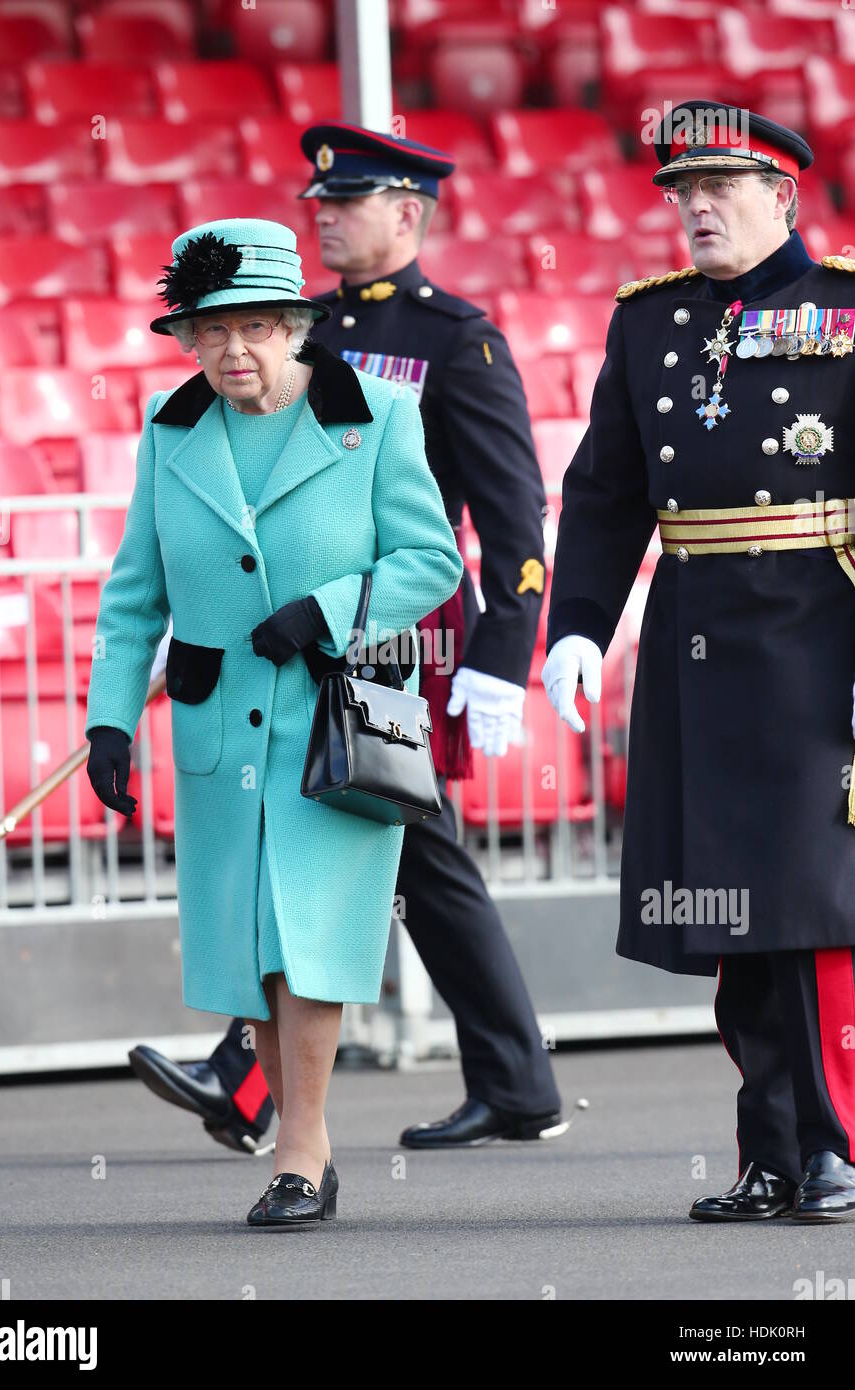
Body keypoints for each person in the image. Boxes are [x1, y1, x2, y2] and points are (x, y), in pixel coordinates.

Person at [129, 124, 566, 1153]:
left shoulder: (460, 339)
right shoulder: (289, 325)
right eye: (319, 202)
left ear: (407, 214)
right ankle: (488, 1079)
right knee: (363, 849)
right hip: (271, 648)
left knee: (393, 846)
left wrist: (506, 658)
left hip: (391, 643)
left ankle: (271, 1082)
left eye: (348, 202)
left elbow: (510, 516)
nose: (321, 212)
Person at [84, 217, 464, 1226]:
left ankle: (301, 1146)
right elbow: (133, 597)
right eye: (211, 333)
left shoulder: (376, 415)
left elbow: (433, 560)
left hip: (330, 729)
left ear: (297, 325)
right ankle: (301, 1139)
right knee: (249, 945)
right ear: (185, 342)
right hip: (216, 734)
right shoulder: (169, 434)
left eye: (255, 327)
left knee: (310, 940)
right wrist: (109, 722)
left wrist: (330, 610)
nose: (234, 351)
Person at [544, 100, 855, 1222]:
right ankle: (768, 1151)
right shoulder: (650, 324)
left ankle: (839, 1146)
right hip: (695, 643)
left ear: (785, 194)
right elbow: (605, 490)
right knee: (732, 915)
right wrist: (576, 622)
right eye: (683, 190)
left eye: (722, 186)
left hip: (822, 640)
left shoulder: (848, 310)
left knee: (817, 912)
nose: (697, 207)